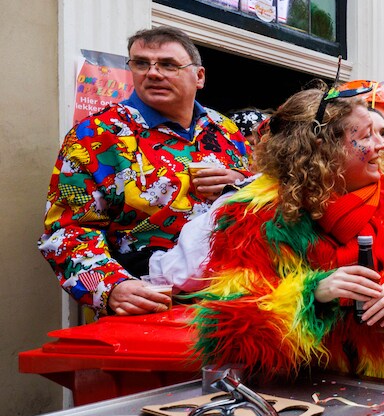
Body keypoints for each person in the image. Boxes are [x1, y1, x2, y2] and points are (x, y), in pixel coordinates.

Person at [189, 85, 384, 384]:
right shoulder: (252, 217)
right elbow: (229, 330)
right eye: (366, 136)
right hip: (305, 395)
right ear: (322, 146)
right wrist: (314, 294)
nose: (383, 146)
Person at [40, 26, 249, 316]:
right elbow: (67, 230)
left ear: (199, 76)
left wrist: (240, 182)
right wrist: (111, 287)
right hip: (148, 301)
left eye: (168, 64)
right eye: (141, 63)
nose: (152, 73)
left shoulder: (225, 130)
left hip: (229, 299)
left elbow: (259, 199)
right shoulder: (96, 135)